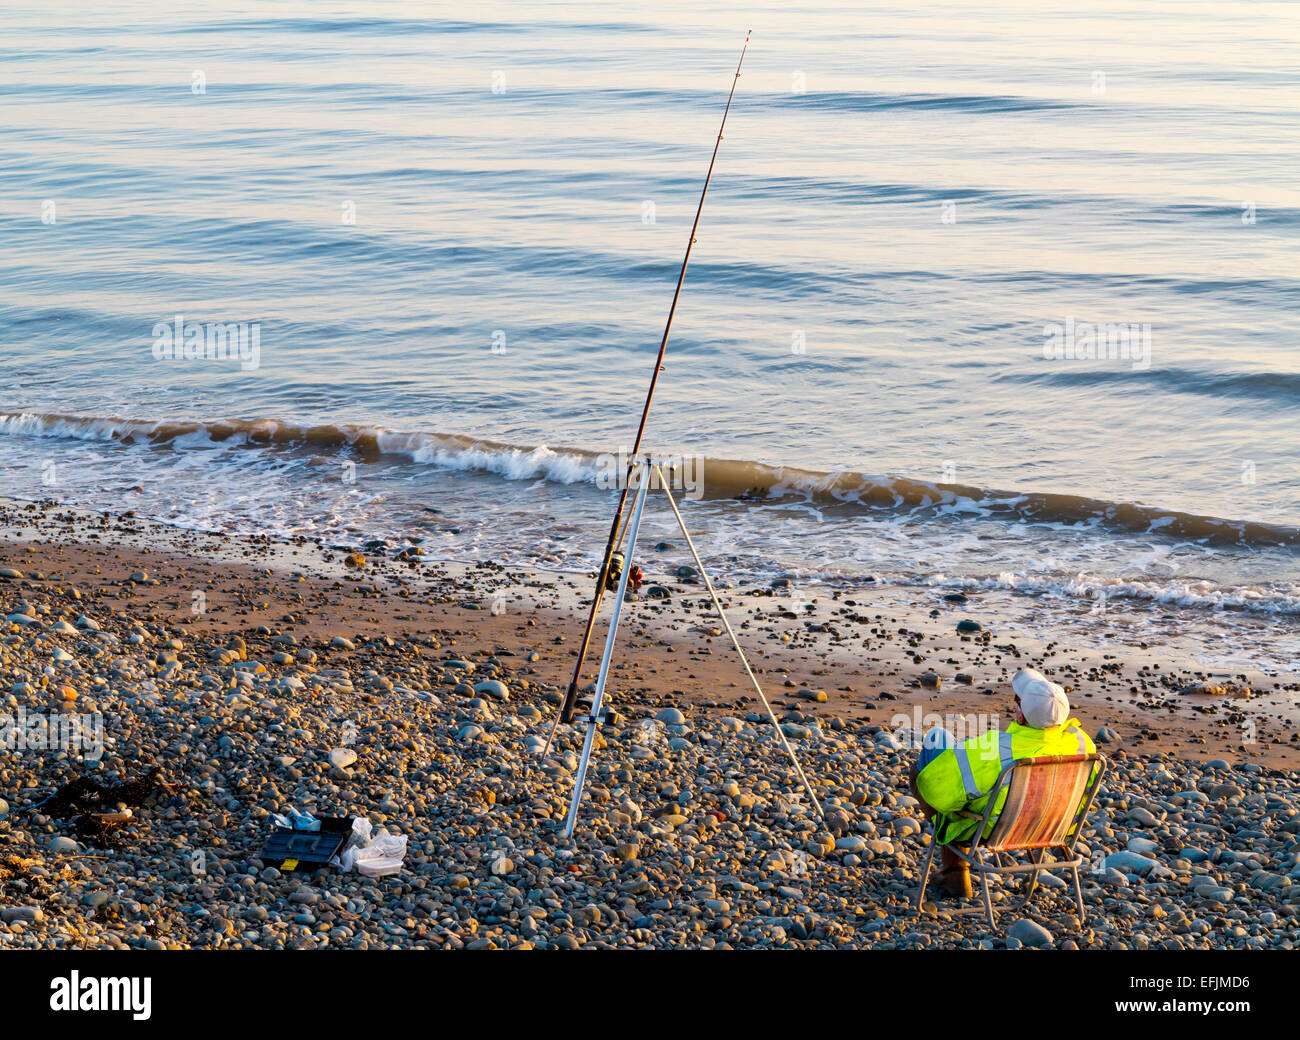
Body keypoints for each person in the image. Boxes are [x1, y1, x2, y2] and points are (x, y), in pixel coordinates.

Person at [908, 668, 1096, 898]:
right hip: (1052, 827)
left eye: (1018, 702)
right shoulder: (1082, 744)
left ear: (1021, 715)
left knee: (937, 740)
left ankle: (954, 871)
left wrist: (924, 787)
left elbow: (938, 792)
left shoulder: (996, 749)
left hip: (995, 830)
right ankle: (953, 869)